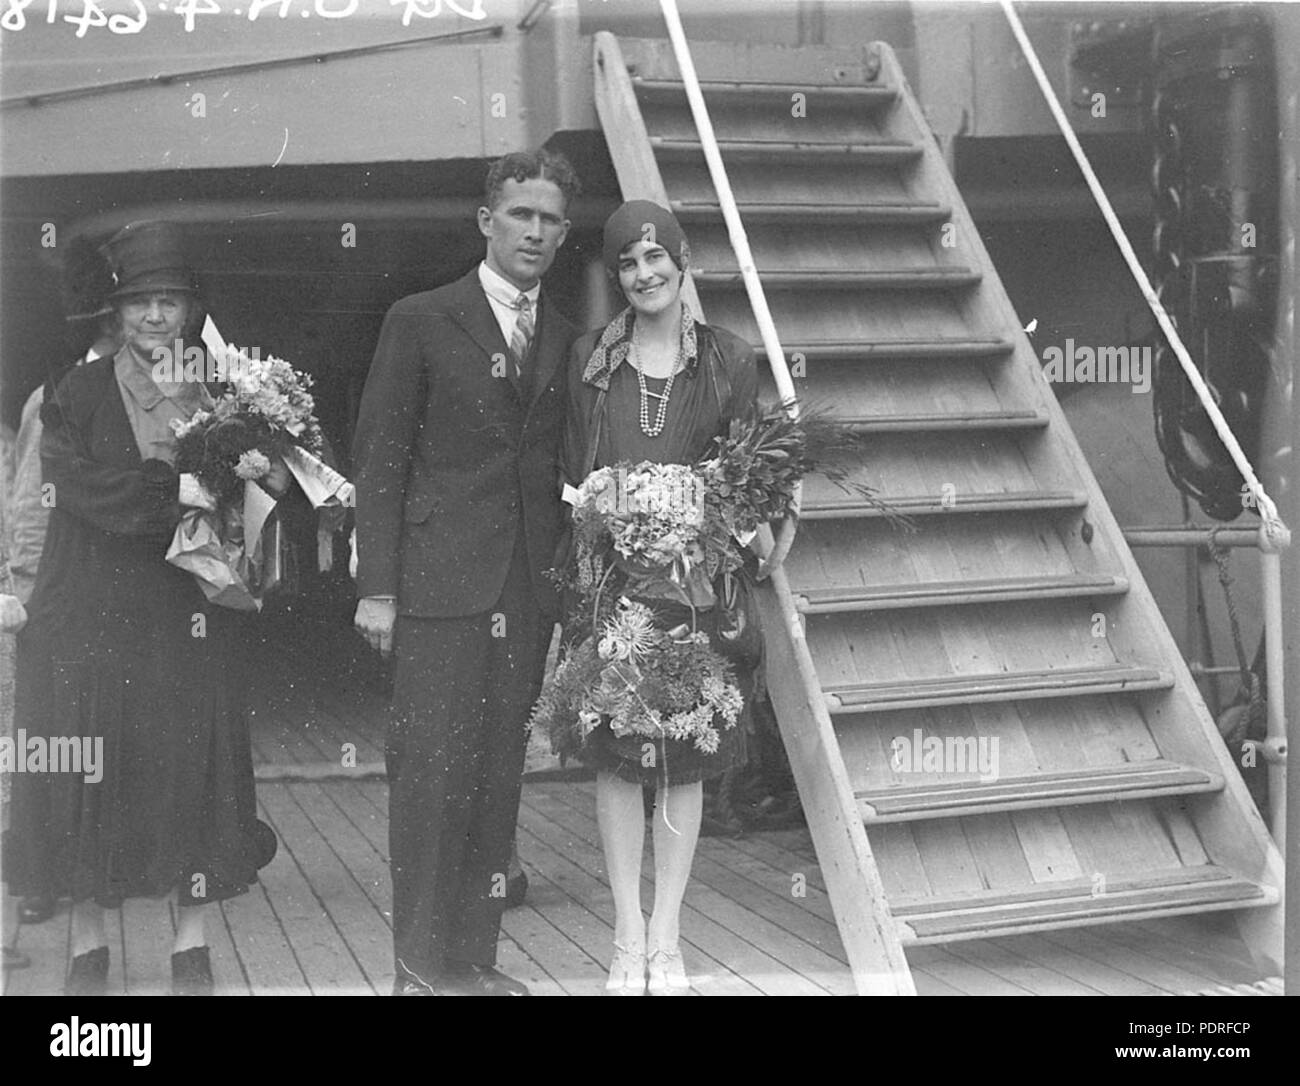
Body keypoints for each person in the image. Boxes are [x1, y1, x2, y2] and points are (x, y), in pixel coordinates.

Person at [3, 221, 281, 995]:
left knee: (189, 771)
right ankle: (90, 945)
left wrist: (258, 491)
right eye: (141, 302)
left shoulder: (224, 391)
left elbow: (251, 494)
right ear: (115, 312)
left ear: (191, 308)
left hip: (189, 613)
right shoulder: (76, 392)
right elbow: (81, 491)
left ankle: (189, 946)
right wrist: (179, 491)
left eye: (171, 300)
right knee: (98, 777)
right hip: (93, 610)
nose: (158, 316)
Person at [352, 149, 580, 996]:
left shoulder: (565, 337)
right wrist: (378, 586)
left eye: (549, 219)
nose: (534, 231)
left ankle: (472, 963)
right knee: (430, 779)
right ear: (488, 221)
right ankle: (417, 969)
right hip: (437, 594)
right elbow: (380, 459)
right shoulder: (421, 318)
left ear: (562, 235)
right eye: (520, 214)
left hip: (524, 596)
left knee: (495, 780)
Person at [560, 200, 759, 995]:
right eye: (628, 264)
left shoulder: (727, 358)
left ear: (682, 262)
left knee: (682, 759)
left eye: (656, 259)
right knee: (615, 764)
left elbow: (746, 476)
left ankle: (669, 938)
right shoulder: (589, 358)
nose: (644, 275)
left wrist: (698, 512)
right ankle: (625, 936)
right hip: (613, 589)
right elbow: (570, 477)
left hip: (693, 590)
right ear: (617, 276)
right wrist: (601, 501)